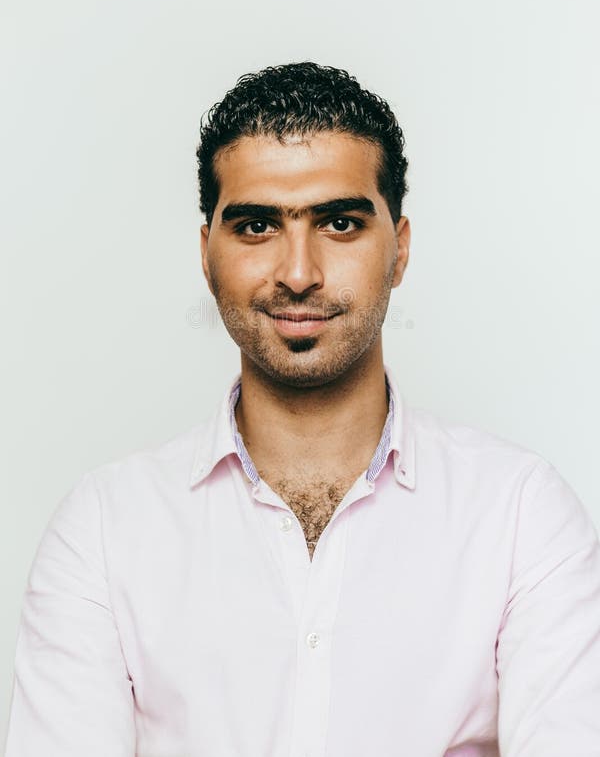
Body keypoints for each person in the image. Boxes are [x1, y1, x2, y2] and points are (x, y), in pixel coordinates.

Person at [5, 62, 600, 757]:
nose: (297, 273)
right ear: (207, 255)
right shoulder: (104, 530)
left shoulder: (520, 516)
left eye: (340, 223)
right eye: (257, 226)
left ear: (400, 249)